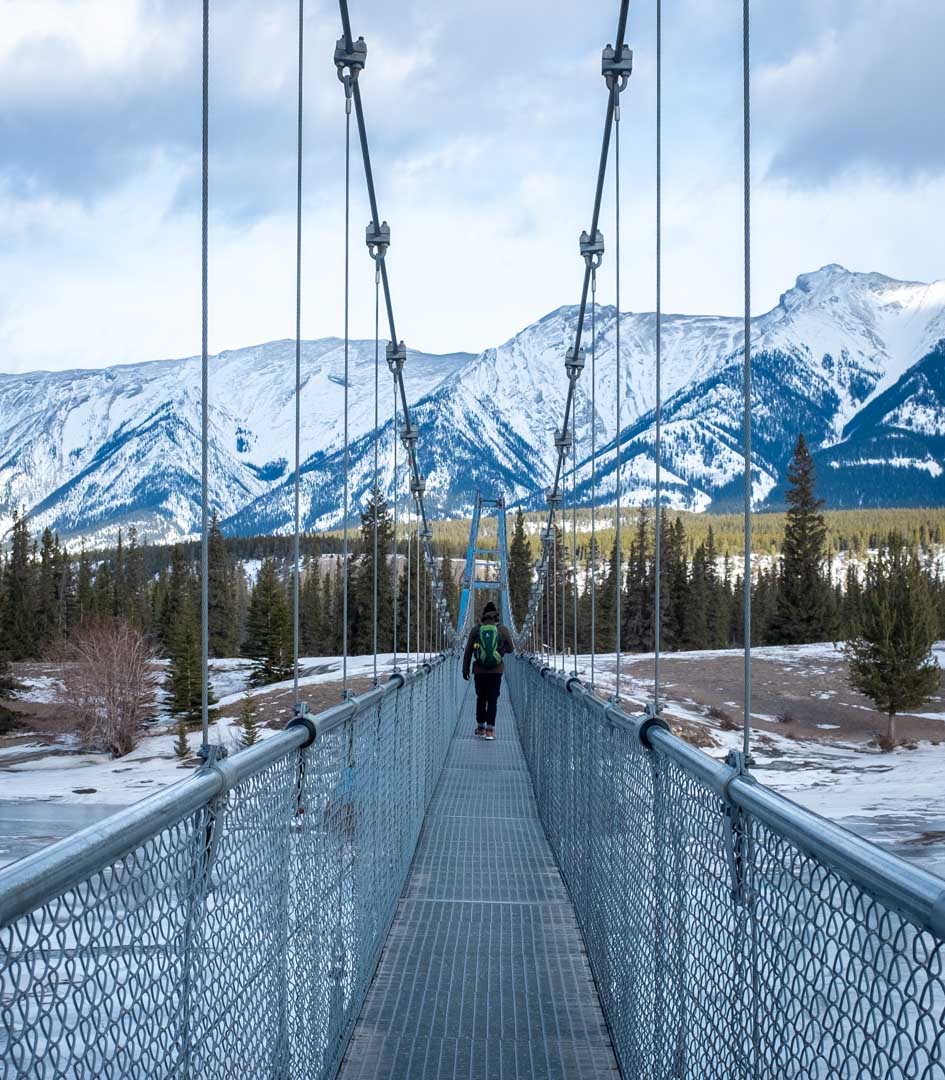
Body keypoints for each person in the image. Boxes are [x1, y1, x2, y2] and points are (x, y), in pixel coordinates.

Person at [462, 600, 514, 740]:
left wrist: (465, 669)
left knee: (481, 698)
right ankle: (490, 731)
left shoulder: (477, 629)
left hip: (479, 670)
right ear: (496, 615)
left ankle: (480, 727)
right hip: (496, 671)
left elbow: (468, 652)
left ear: (484, 615)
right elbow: (511, 648)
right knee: (492, 700)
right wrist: (500, 651)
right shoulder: (502, 629)